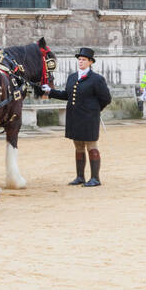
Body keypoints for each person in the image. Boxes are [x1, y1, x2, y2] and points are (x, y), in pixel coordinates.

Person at [39, 47, 112, 186]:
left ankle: (95, 178)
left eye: (84, 60)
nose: (81, 62)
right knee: (78, 146)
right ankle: (80, 177)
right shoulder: (72, 77)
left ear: (90, 62)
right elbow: (67, 95)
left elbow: (106, 98)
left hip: (89, 117)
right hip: (74, 116)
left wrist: (95, 110)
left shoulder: (97, 79)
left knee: (91, 145)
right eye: (79, 59)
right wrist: (50, 91)